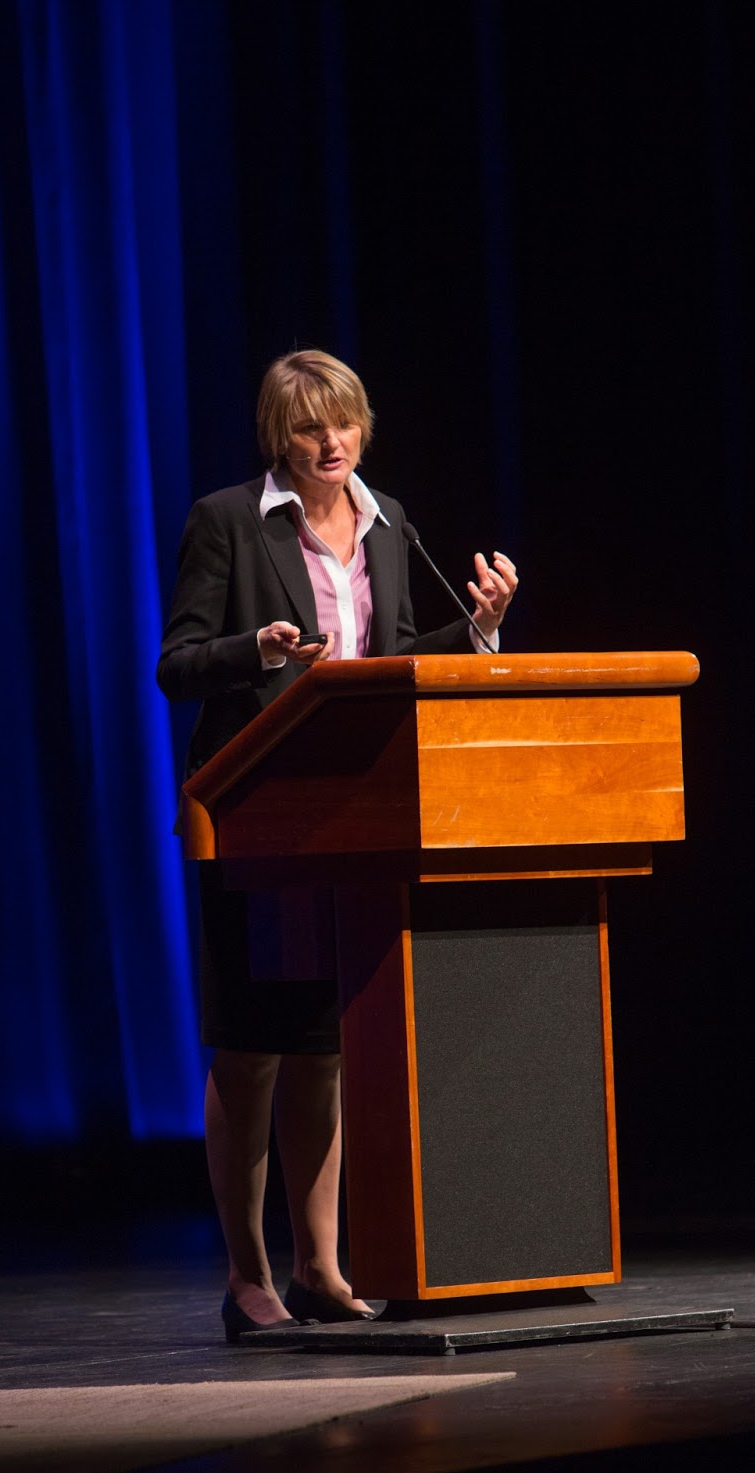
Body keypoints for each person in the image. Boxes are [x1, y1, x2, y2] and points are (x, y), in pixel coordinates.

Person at [157, 350, 517, 1340]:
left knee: (323, 1049)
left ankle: (320, 1265)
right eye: (312, 428)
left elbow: (390, 658)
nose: (331, 444)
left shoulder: (386, 520)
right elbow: (176, 665)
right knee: (253, 1047)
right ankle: (247, 1276)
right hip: (253, 811)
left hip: (352, 814)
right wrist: (256, 650)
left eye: (345, 423)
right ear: (281, 435)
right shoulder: (228, 521)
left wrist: (475, 631)